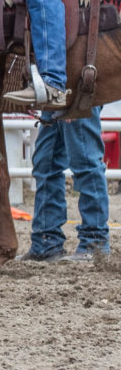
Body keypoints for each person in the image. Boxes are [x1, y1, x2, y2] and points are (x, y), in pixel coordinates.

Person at [24, 110, 110, 262]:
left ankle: (94, 244)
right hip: (56, 97)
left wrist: (76, 98)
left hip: (76, 92)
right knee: (45, 163)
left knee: (84, 160)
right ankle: (46, 242)